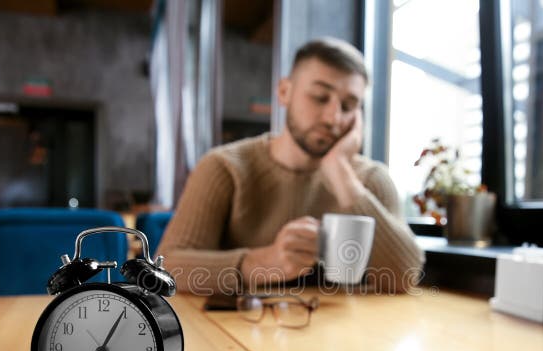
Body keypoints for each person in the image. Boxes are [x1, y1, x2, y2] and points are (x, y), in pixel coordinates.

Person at [157, 37, 424, 294]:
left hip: (340, 333)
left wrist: (341, 172)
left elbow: (408, 275)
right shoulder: (223, 168)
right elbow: (165, 267)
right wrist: (261, 263)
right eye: (320, 97)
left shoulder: (369, 179)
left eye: (349, 105)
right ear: (285, 92)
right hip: (239, 332)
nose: (334, 118)